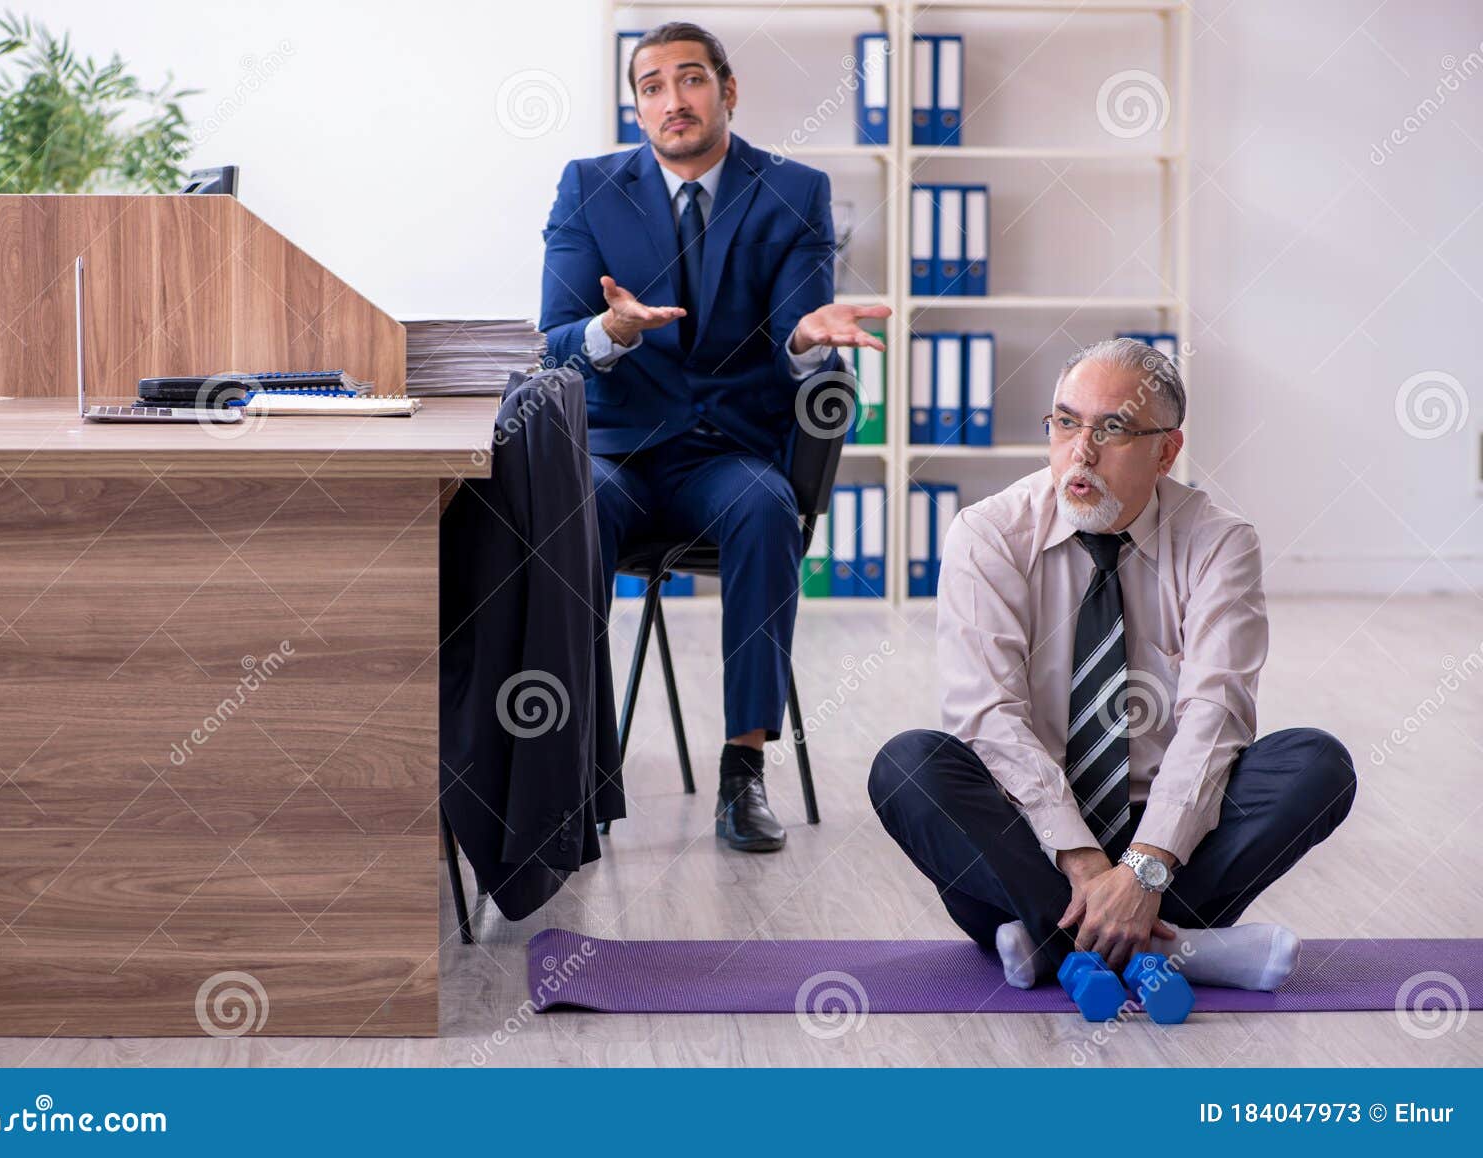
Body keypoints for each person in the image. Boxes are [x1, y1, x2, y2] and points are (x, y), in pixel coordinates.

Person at [869, 338, 1356, 990]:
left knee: (1316, 763)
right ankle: (1182, 950)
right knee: (908, 766)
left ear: (1167, 451)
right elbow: (989, 718)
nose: (1081, 450)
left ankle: (1052, 946)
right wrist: (1087, 867)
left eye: (1114, 429)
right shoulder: (988, 534)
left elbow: (1215, 715)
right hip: (1029, 843)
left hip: (1170, 844)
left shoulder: (1219, 544)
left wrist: (1144, 869)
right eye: (1066, 422)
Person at [539, 22, 890, 852]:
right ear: (636, 107)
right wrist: (612, 333)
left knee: (769, 508)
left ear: (727, 91)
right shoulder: (589, 188)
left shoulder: (792, 190)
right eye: (651, 86)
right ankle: (579, 772)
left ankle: (743, 775)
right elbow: (555, 338)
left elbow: (790, 336)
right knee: (571, 509)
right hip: (617, 451)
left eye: (689, 80)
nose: (672, 100)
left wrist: (806, 341)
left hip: (727, 456)